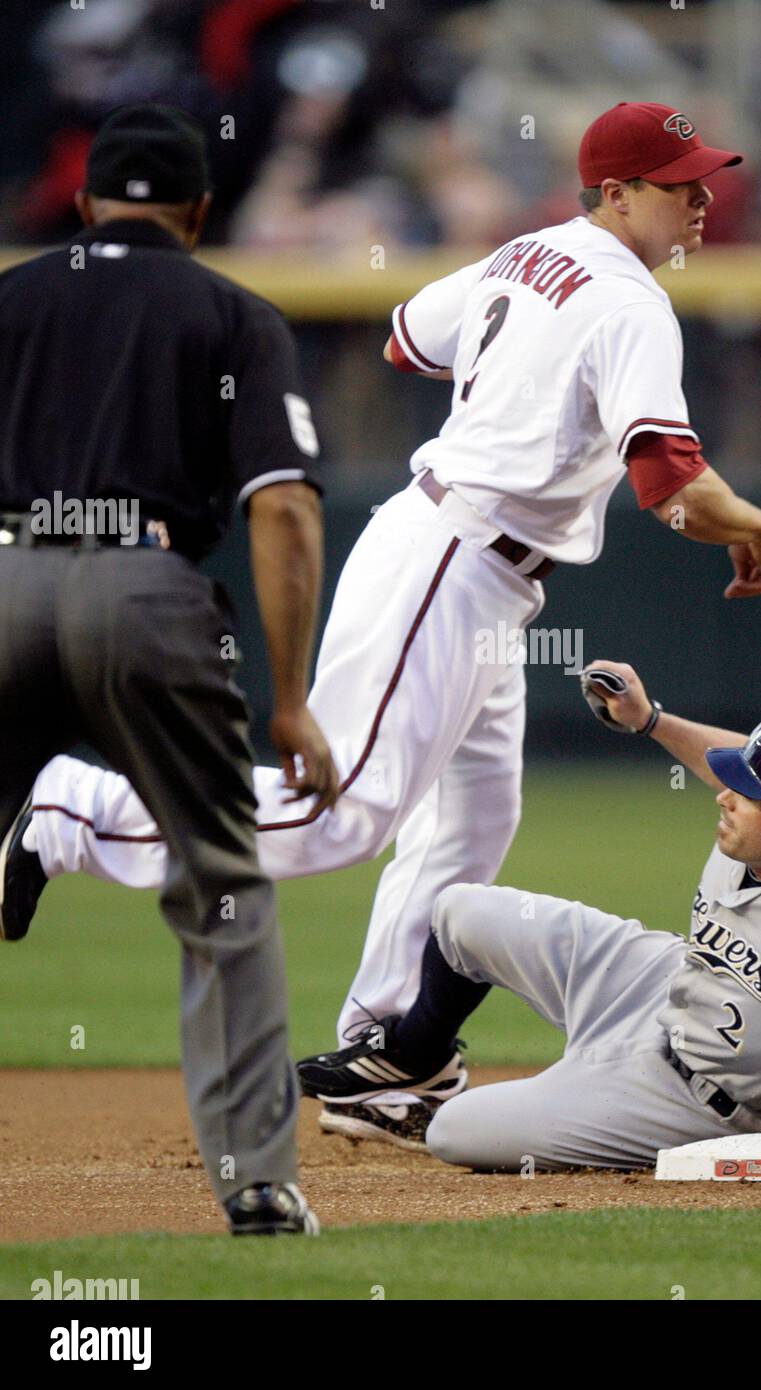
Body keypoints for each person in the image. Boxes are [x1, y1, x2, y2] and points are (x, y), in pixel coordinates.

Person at [7, 101, 761, 1150]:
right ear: (614, 193)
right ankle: (70, 810)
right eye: (676, 181)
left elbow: (407, 336)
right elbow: (669, 487)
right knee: (337, 815)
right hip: (451, 558)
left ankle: (391, 1052)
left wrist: (519, 377)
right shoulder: (632, 303)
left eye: (701, 177)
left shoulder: (528, 254)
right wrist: (752, 524)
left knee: (471, 819)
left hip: (473, 562)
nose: (700, 198)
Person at [0, 105, 339, 1234]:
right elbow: (282, 508)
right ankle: (255, 1182)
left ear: (87, 201)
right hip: (139, 590)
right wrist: (288, 700)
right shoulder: (231, 312)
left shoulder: (11, 296)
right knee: (220, 884)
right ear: (199, 213)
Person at [300, 662, 761, 1186]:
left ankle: (517, 1096)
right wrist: (649, 719)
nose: (724, 793)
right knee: (460, 910)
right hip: (658, 986)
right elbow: (727, 760)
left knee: (453, 1131)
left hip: (698, 1105)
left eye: (746, 789)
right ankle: (415, 1061)